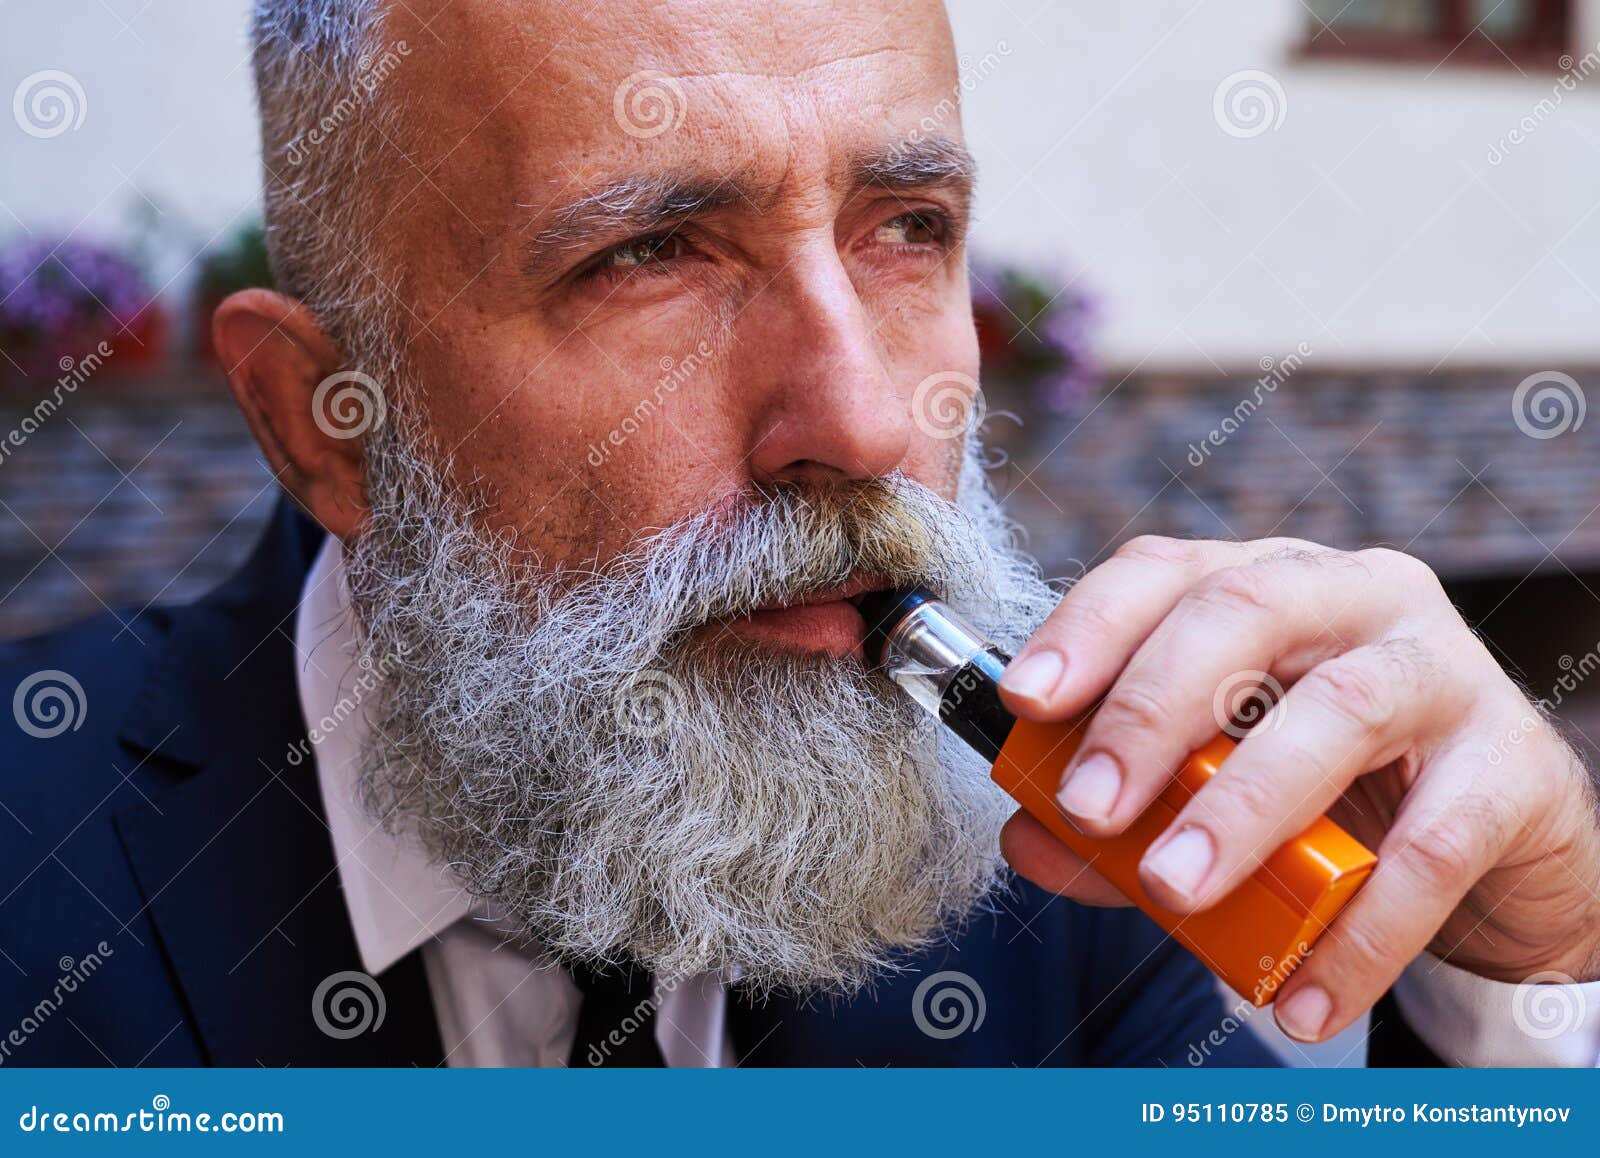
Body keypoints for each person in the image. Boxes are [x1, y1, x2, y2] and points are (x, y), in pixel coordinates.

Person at [2, 0, 1597, 1067]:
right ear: (318, 419)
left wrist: (1522, 978)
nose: (866, 420)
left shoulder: (1051, 870)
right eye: (651, 254)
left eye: (908, 230)